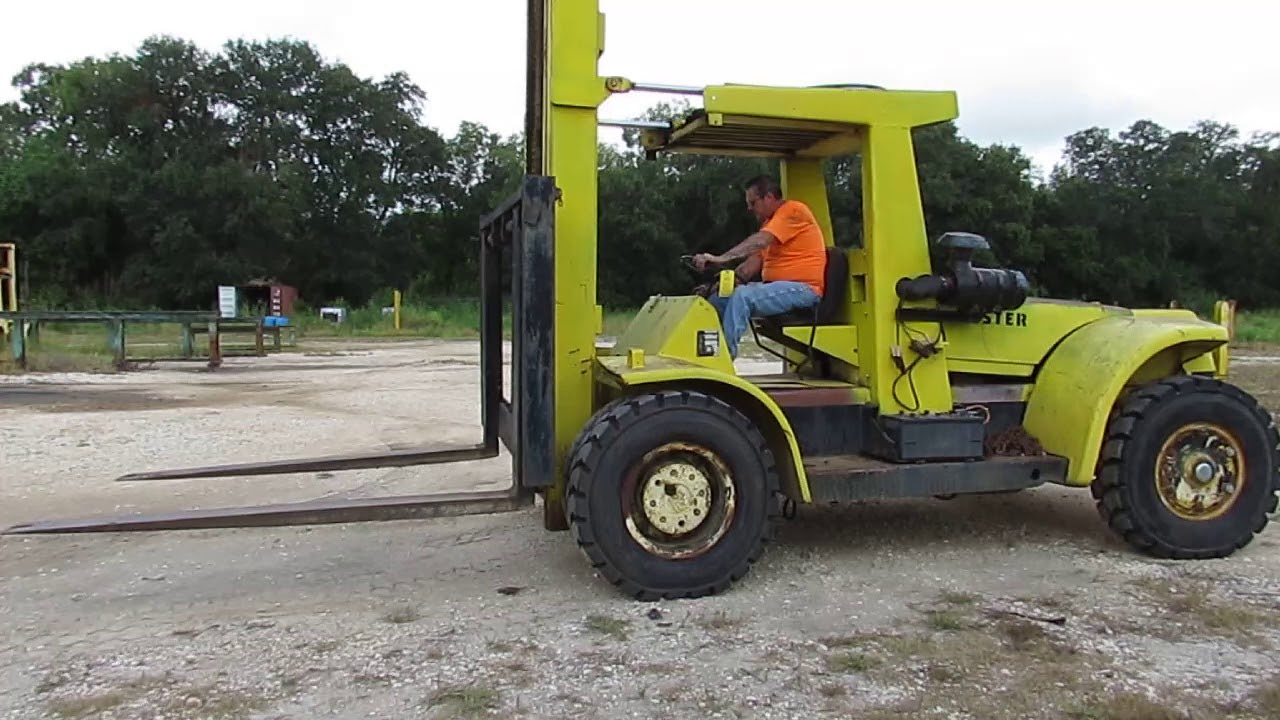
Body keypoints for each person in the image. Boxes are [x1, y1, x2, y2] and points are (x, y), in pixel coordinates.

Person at [691, 175, 827, 358]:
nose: (749, 208)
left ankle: (725, 358)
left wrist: (720, 259)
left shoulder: (793, 211)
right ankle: (704, 353)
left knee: (742, 296)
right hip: (776, 288)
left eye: (752, 202)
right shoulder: (771, 225)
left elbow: (760, 241)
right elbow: (751, 265)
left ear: (769, 197)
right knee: (718, 300)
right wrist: (719, 285)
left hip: (804, 290)